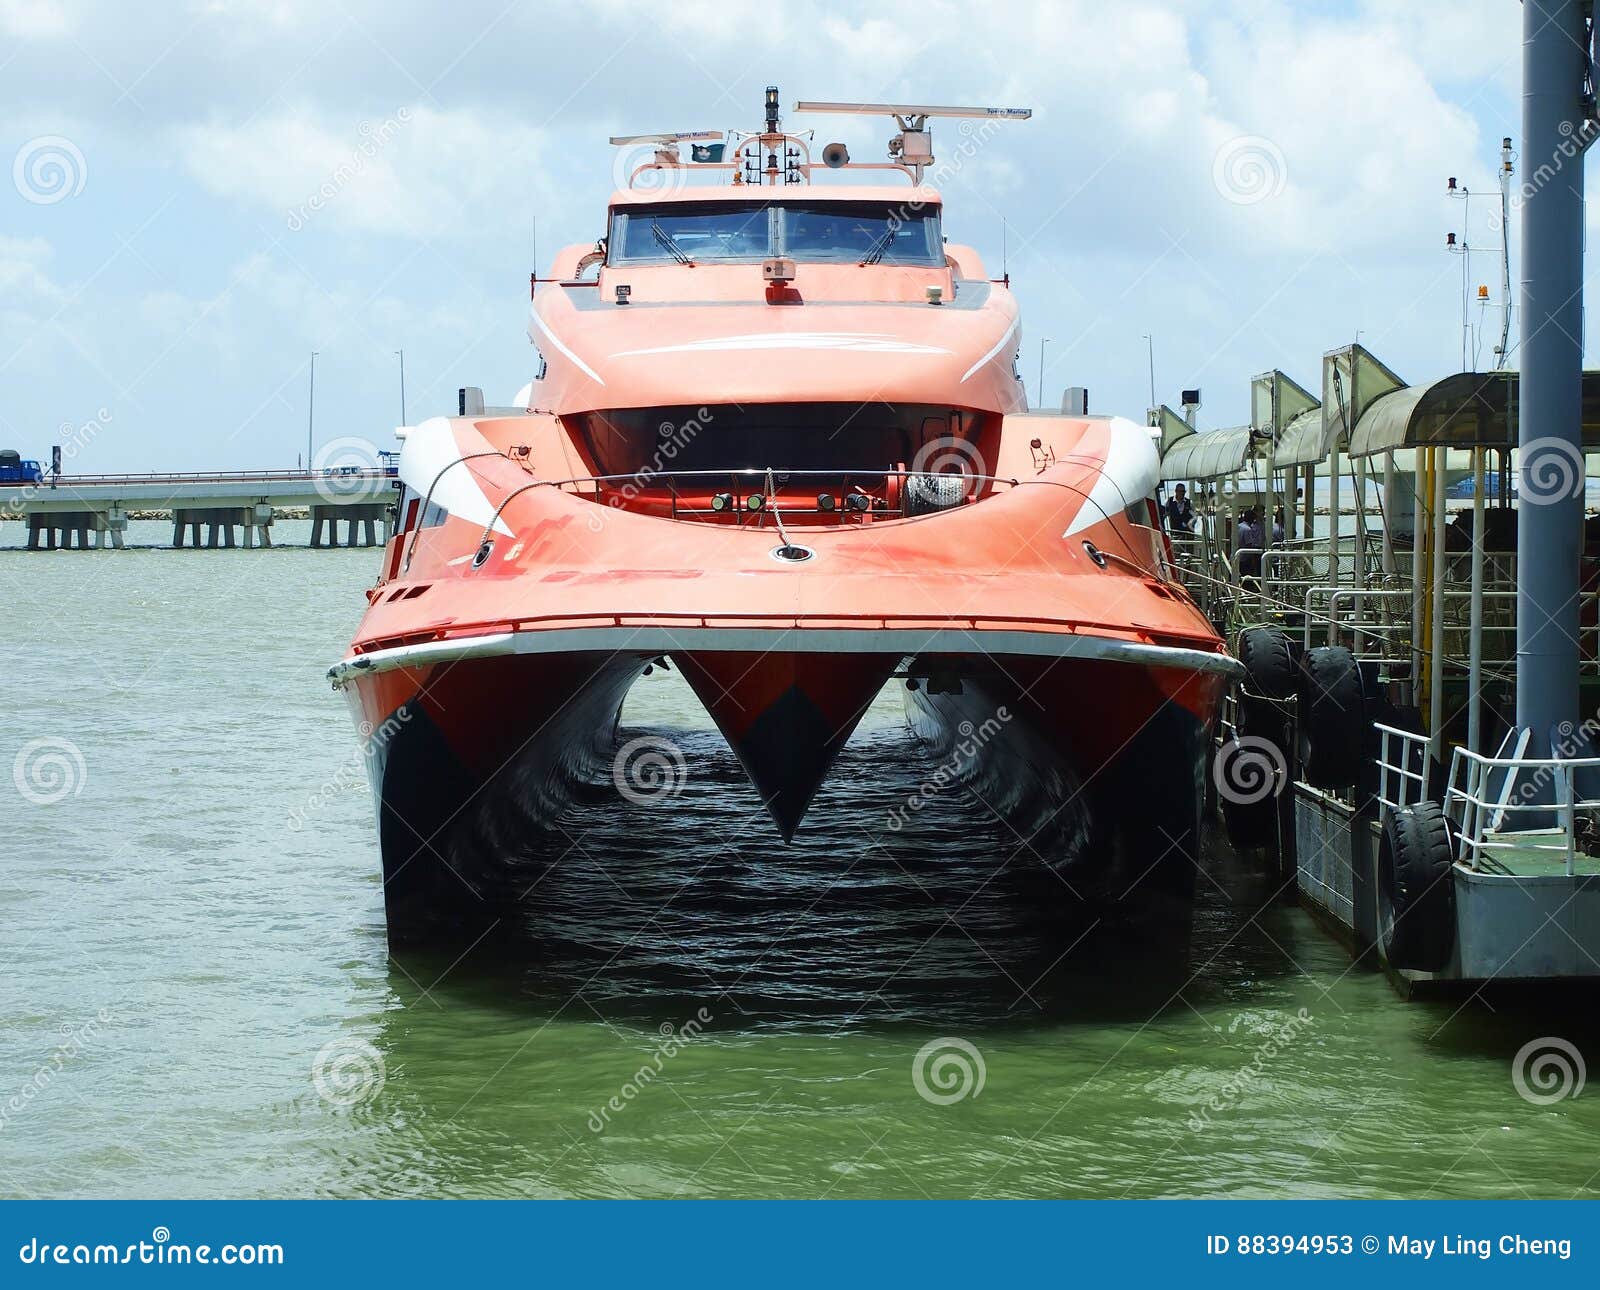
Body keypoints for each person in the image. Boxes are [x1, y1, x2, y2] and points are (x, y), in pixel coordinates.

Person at [1237, 507, 1266, 579]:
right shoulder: (1248, 529)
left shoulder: (1238, 526)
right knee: (1247, 576)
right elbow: (1249, 544)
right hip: (1245, 558)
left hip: (1237, 555)